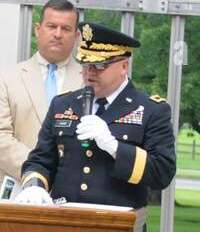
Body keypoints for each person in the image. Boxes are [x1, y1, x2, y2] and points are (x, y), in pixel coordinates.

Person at [16, 22, 176, 220]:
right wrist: (35, 186)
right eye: (85, 64)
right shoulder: (63, 104)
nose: (89, 72)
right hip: (63, 222)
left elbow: (162, 173)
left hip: (117, 228)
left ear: (123, 66)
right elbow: (40, 160)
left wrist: (115, 147)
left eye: (99, 66)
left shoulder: (151, 110)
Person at [0, 0, 84, 196]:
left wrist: (63, 174)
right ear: (38, 29)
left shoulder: (90, 81)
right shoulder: (5, 78)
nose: (57, 34)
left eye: (65, 28)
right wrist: (39, 171)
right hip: (18, 186)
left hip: (73, 191)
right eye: (51, 26)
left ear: (76, 36)